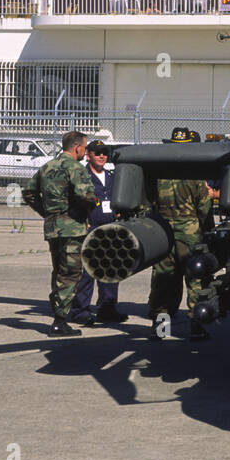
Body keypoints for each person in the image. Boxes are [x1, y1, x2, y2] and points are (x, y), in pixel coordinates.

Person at [148, 127, 213, 340]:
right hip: (190, 230)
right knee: (194, 277)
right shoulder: (194, 173)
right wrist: (204, 227)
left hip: (164, 230)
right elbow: (204, 206)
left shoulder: (160, 173)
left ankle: (160, 328)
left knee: (163, 278)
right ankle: (196, 325)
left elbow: (150, 200)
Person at [35, 131, 99, 336]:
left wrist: (48, 212)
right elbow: (85, 195)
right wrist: (84, 212)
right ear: (77, 147)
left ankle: (59, 315)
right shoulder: (75, 169)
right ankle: (59, 320)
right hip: (72, 228)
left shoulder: (47, 167)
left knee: (59, 271)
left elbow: (28, 192)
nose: (85, 151)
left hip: (53, 227)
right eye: (85, 147)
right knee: (71, 274)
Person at [69, 139, 129, 325]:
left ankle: (107, 309)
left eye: (104, 152)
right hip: (90, 228)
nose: (102, 156)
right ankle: (80, 311)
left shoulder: (111, 177)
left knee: (110, 270)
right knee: (87, 271)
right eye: (97, 153)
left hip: (109, 229)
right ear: (88, 155)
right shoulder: (82, 176)